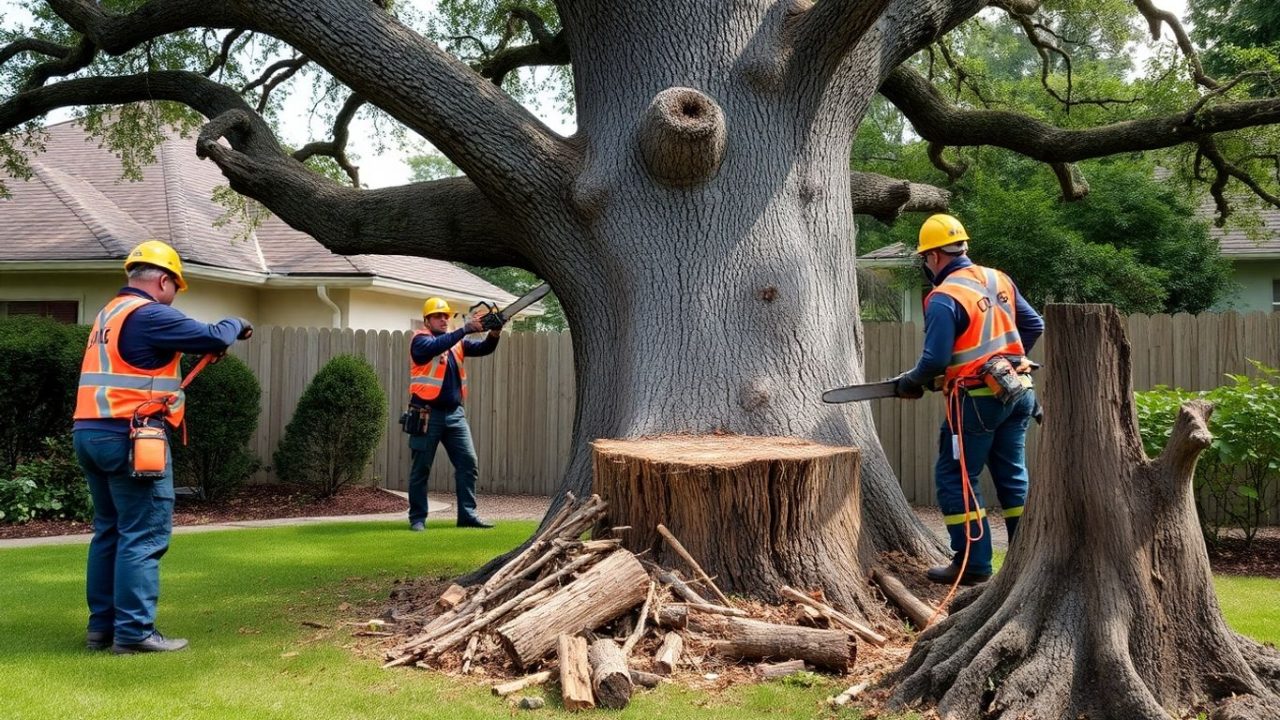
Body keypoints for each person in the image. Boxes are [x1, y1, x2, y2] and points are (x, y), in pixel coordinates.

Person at [73, 240, 252, 654]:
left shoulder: (108, 315)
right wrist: (237, 320)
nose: (175, 296)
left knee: (109, 532)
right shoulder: (150, 314)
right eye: (176, 287)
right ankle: (134, 632)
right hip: (131, 438)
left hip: (90, 432)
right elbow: (211, 336)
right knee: (143, 535)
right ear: (163, 280)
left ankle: (102, 628)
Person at [893, 214, 1044, 587]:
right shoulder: (997, 279)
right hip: (1019, 391)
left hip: (977, 400)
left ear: (934, 257)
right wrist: (1006, 362)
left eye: (925, 258)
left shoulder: (945, 296)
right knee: (1012, 477)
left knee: (956, 476)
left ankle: (973, 564)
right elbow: (1034, 324)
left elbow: (934, 360)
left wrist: (911, 382)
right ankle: (1027, 560)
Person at [404, 298, 502, 531]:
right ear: (427, 320)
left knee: (468, 463)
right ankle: (417, 518)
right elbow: (433, 349)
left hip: (455, 414)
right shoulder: (420, 340)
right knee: (421, 468)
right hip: (427, 414)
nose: (443, 319)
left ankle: (467, 515)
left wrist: (494, 333)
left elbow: (483, 348)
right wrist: (464, 329)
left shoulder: (457, 342)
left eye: (446, 316)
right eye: (438, 316)